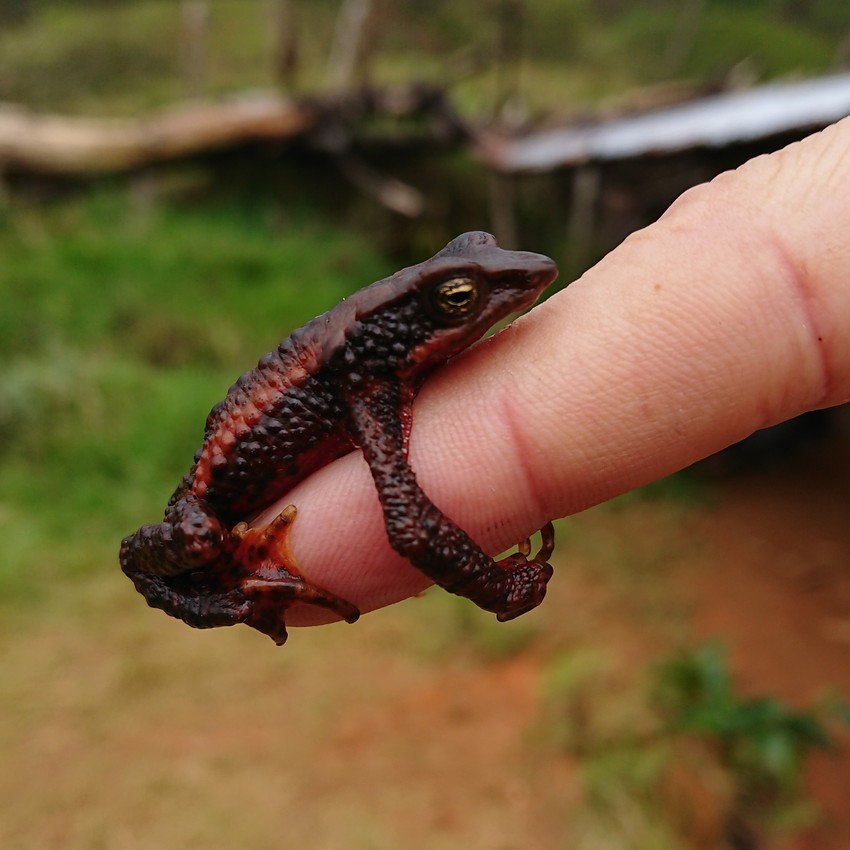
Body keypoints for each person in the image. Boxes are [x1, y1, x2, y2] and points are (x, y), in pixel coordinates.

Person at [281, 115, 850, 628]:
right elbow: (408, 526)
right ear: (393, 339)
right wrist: (498, 586)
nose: (525, 275)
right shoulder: (367, 383)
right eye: (460, 298)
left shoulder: (376, 372)